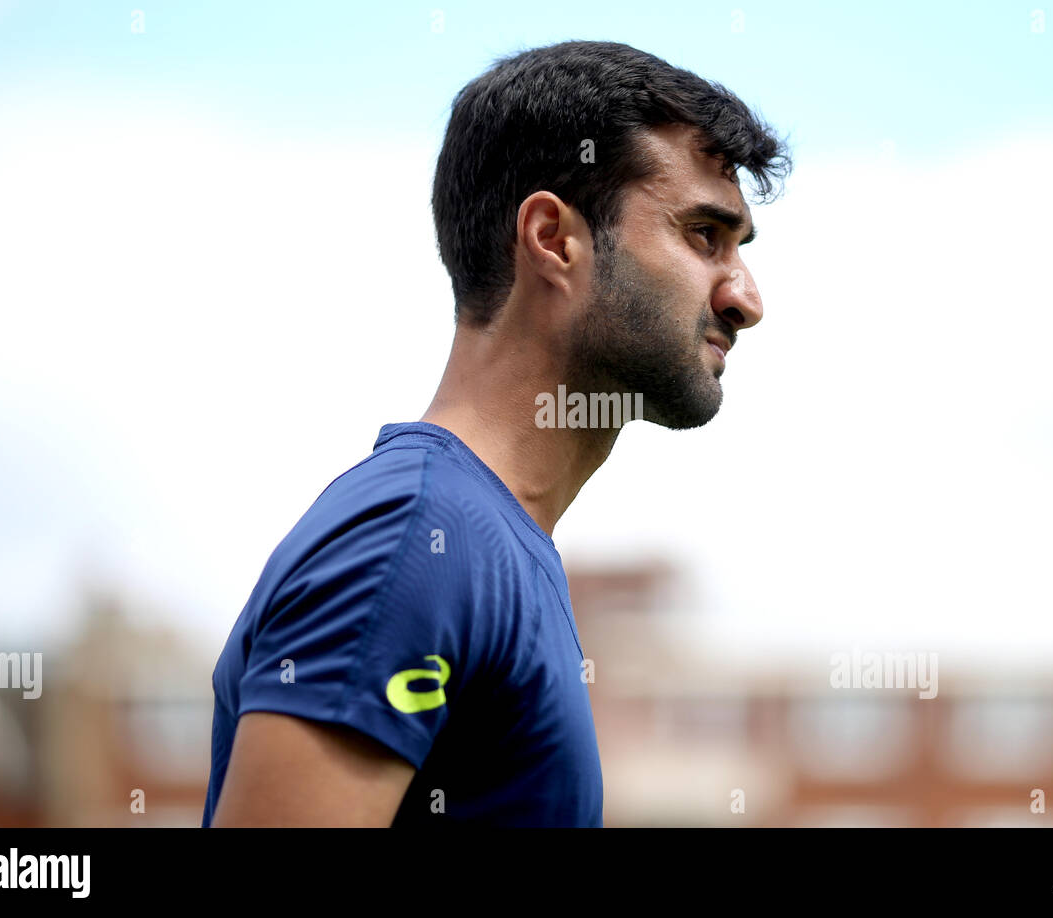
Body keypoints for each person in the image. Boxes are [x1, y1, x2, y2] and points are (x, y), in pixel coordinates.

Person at [203, 39, 789, 827]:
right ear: (553, 238)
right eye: (703, 236)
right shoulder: (418, 541)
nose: (745, 298)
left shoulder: (491, 546)